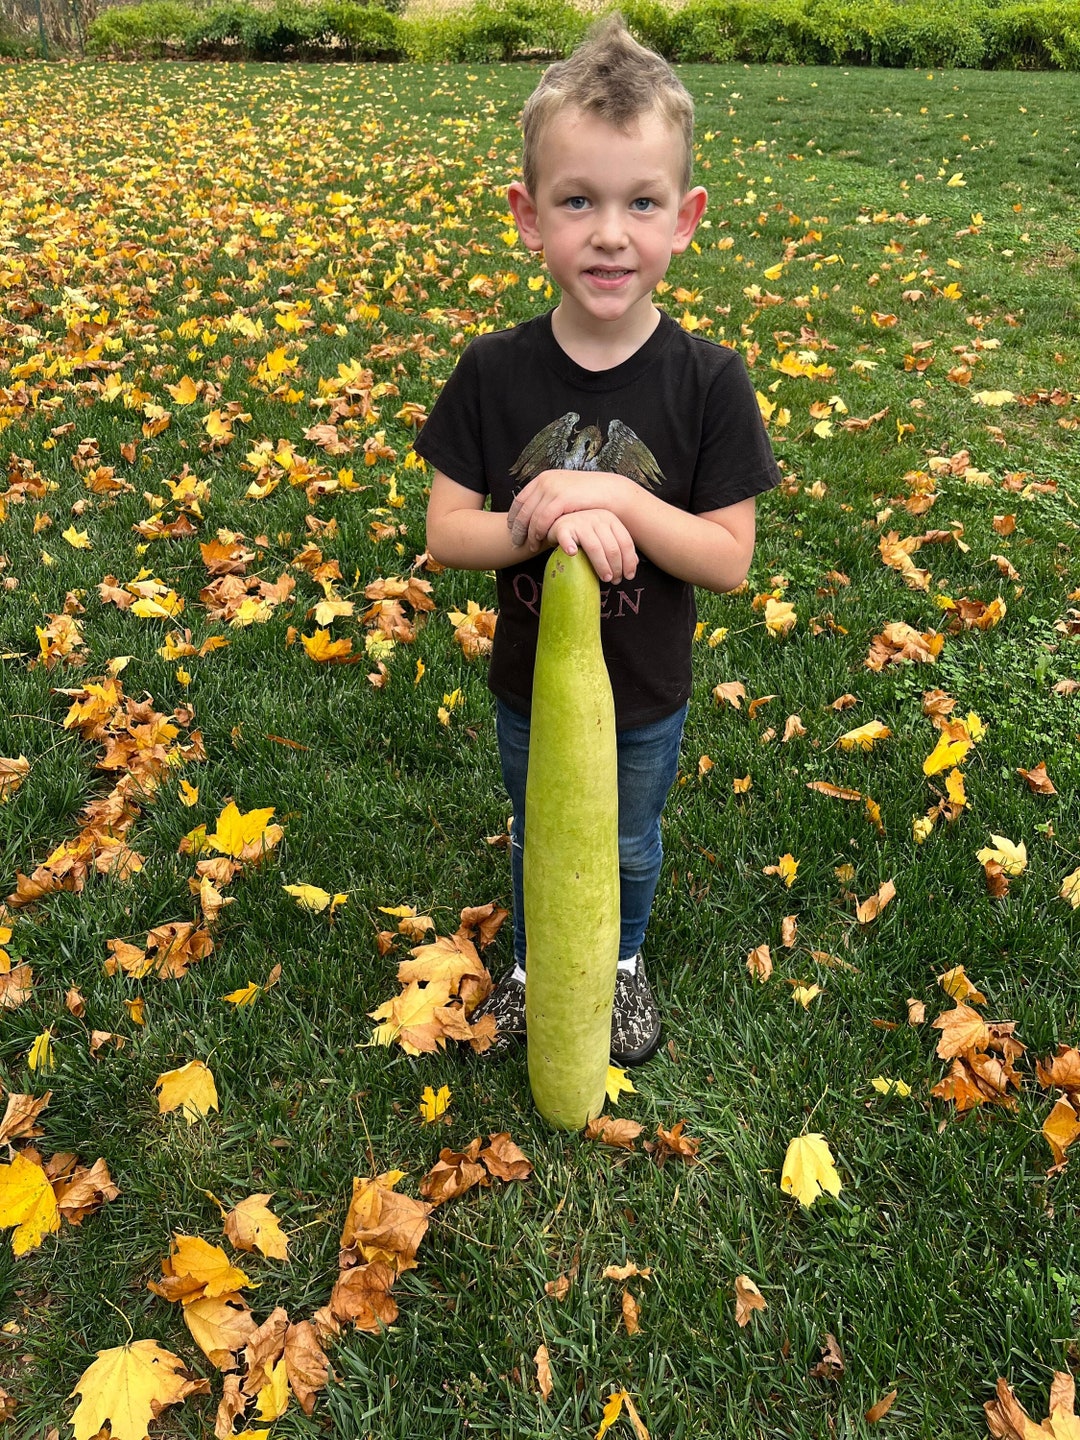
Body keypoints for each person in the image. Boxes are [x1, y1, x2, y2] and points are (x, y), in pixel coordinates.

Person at [418, 14, 780, 1065]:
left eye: (641, 203)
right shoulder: (493, 372)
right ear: (528, 217)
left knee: (624, 838)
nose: (611, 234)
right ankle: (538, 970)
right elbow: (447, 535)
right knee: (545, 833)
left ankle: (619, 965)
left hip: (647, 688)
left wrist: (610, 495)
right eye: (578, 201)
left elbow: (728, 558)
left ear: (686, 219)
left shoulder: (709, 382)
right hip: (531, 682)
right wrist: (541, 515)